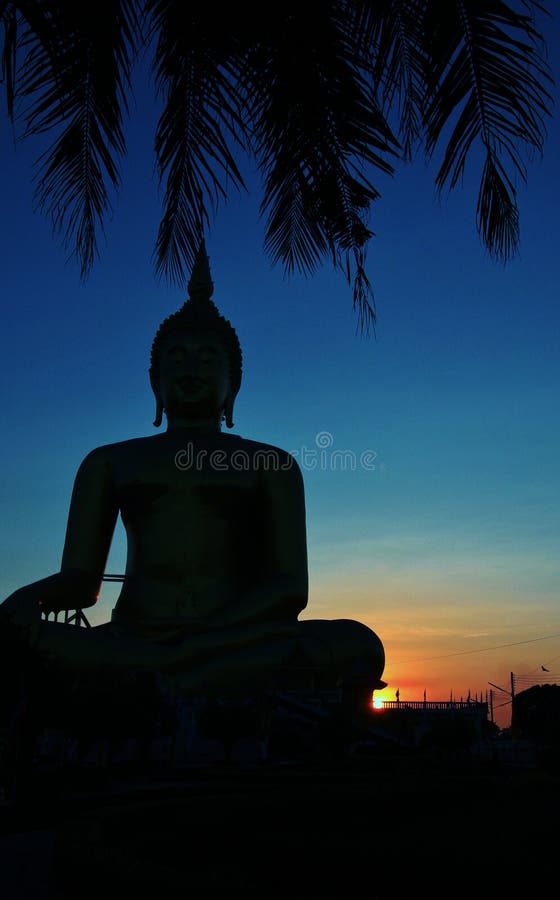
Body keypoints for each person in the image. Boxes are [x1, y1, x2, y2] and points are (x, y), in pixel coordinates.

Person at [0, 246, 385, 708]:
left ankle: (167, 674)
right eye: (177, 358)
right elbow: (82, 581)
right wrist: (24, 602)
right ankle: (183, 675)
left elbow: (289, 588)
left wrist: (201, 638)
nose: (190, 369)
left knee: (361, 642)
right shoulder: (109, 462)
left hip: (232, 638)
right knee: (17, 636)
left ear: (233, 385)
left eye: (207, 359)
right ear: (154, 382)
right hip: (134, 637)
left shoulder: (271, 464)